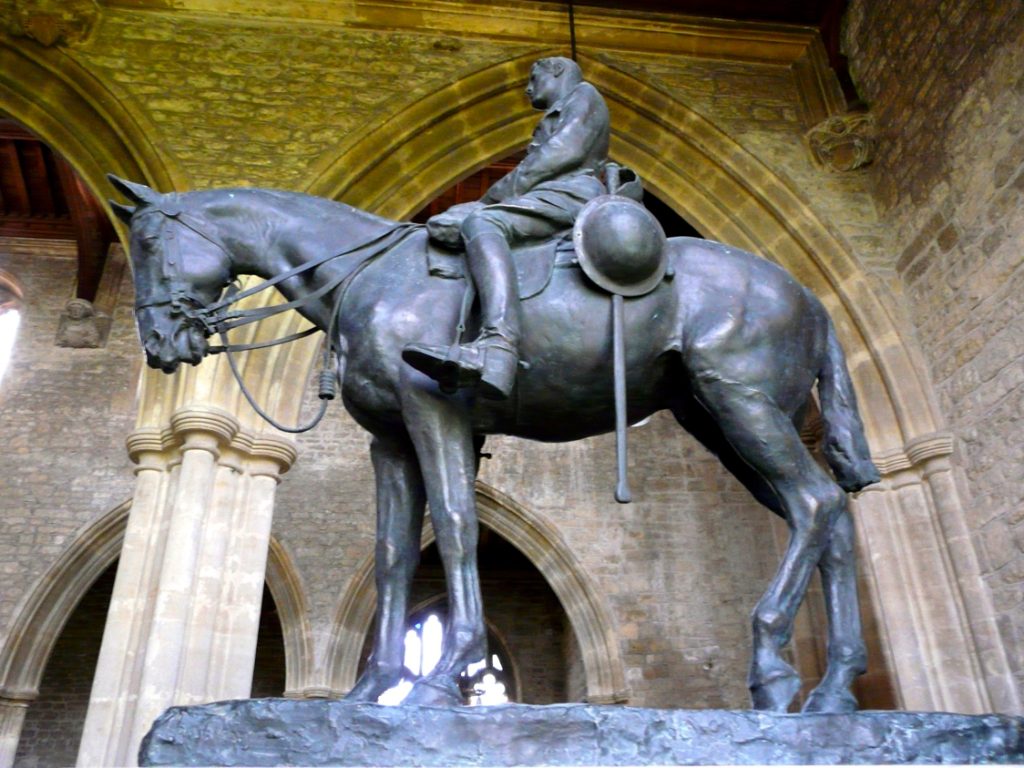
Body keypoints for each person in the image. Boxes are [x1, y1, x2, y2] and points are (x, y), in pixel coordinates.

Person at [403, 56, 610, 399]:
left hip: (570, 195)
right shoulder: (560, 109)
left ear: (557, 71)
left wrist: (485, 204)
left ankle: (497, 347)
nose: (529, 89)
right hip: (549, 194)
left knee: (483, 222)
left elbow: (558, 156)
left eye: (534, 78)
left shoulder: (583, 96)